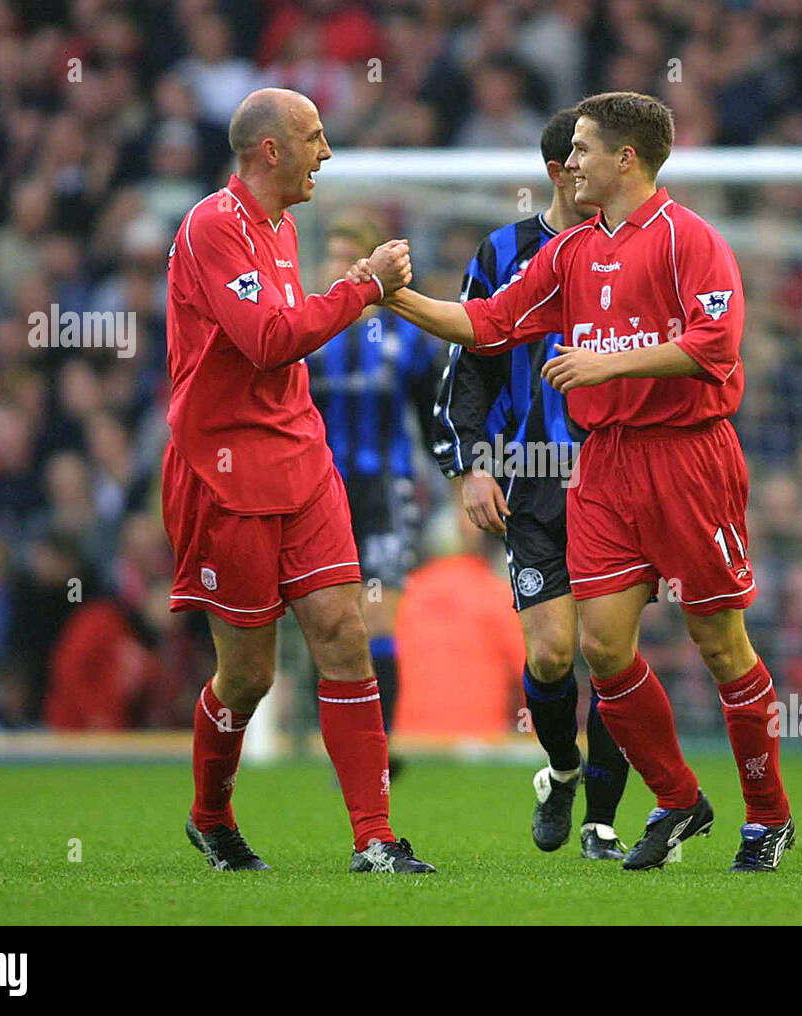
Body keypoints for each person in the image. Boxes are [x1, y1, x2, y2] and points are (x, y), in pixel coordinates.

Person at [376, 91, 794, 872]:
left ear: (625, 159)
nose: (569, 165)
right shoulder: (567, 254)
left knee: (718, 641)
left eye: (584, 149)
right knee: (600, 649)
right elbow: (490, 322)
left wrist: (608, 362)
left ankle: (767, 817)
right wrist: (391, 296)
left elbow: (717, 342)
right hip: (601, 464)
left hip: (687, 455)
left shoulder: (686, 238)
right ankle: (677, 799)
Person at [162, 87, 433, 874]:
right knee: (246, 677)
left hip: (303, 460)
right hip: (225, 474)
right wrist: (364, 286)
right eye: (315, 138)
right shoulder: (214, 227)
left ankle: (374, 837)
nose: (328, 152)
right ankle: (211, 815)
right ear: (270, 150)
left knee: (346, 638)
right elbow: (269, 341)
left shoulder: (282, 227)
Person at [432, 107, 630, 860]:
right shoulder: (504, 252)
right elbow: (470, 363)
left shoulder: (630, 249)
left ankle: (604, 823)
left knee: (613, 655)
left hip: (614, 476)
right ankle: (562, 769)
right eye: (582, 158)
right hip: (531, 479)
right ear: (561, 172)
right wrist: (473, 464)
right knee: (552, 654)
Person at [307, 216, 444, 763]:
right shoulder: (310, 331)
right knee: (336, 620)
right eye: (333, 253)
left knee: (380, 615)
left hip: (387, 487)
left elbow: (432, 413)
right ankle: (341, 739)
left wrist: (458, 479)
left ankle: (378, 746)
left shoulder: (405, 336)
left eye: (351, 255)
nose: (340, 264)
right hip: (321, 491)